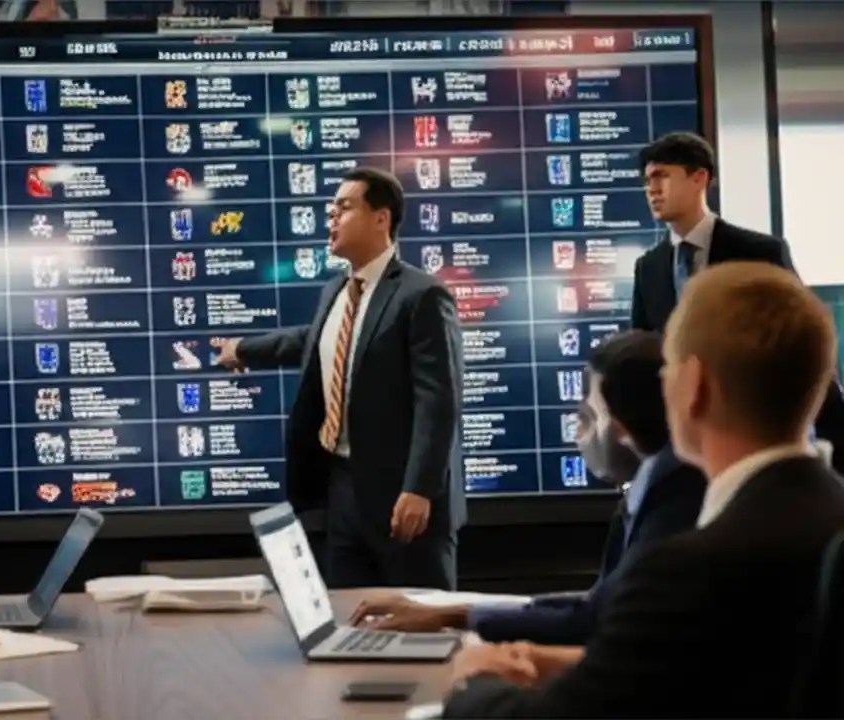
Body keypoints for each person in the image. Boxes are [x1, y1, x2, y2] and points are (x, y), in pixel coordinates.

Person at [441, 261, 844, 717]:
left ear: (694, 385)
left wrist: (474, 677)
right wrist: (545, 659)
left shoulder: (691, 568)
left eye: (669, 367)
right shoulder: (828, 518)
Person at [347, 330, 705, 645]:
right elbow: (596, 604)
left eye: (590, 415)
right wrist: (455, 612)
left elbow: (594, 622)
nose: (579, 432)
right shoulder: (659, 488)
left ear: (625, 427)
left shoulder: (674, 501)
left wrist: (455, 617)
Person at [214, 167, 464, 589]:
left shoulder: (421, 295)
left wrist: (420, 489)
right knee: (351, 620)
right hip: (344, 491)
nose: (330, 217)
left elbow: (438, 400)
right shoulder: (336, 291)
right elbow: (312, 341)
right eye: (330, 209)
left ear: (381, 218)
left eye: (344, 208)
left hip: (404, 498)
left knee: (426, 629)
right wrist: (242, 349)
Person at [630, 131, 844, 472]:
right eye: (646, 181)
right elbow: (643, 353)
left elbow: (800, 337)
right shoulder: (649, 268)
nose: (651, 189)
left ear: (699, 177)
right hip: (682, 452)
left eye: (662, 176)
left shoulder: (758, 251)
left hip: (760, 433)